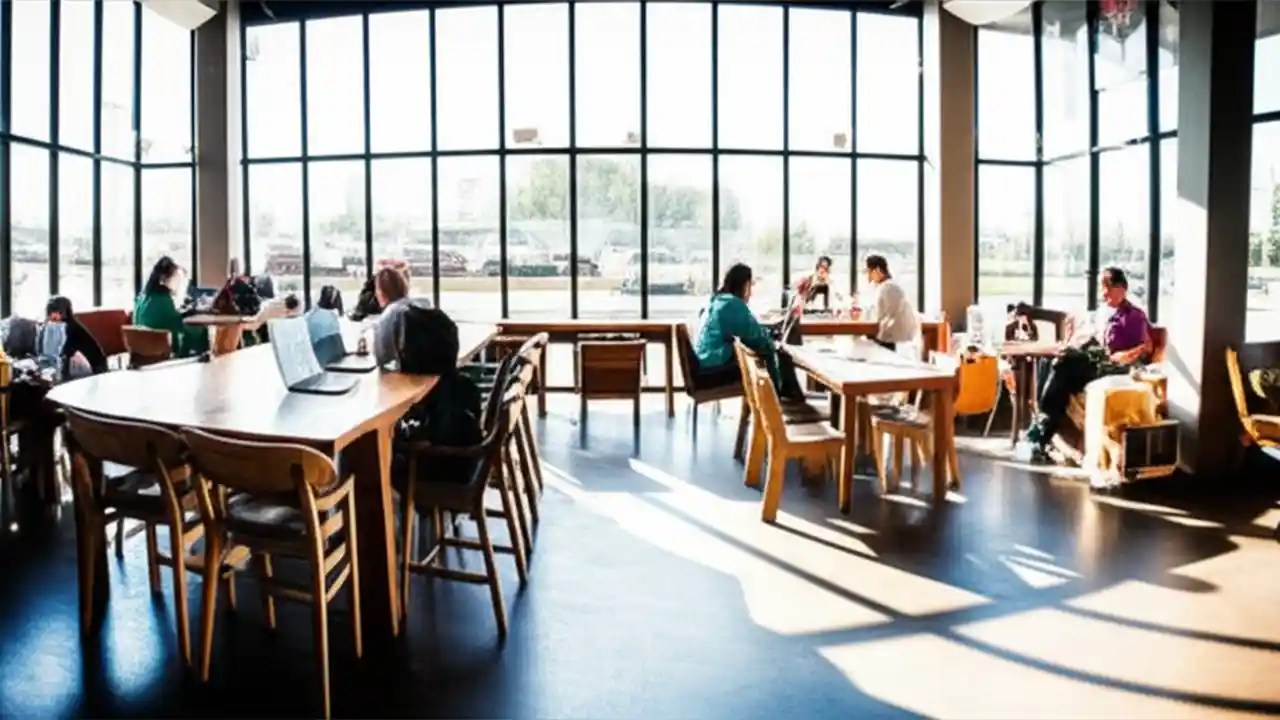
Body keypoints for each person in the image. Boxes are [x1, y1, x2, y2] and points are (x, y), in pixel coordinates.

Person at [1024, 267, 1153, 458]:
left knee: (1064, 364)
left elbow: (1146, 346)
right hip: (1097, 359)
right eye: (1103, 287)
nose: (1104, 292)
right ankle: (1044, 423)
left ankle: (1043, 423)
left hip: (1114, 366)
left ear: (1123, 288)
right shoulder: (1104, 313)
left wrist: (1123, 355)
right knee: (1051, 360)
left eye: (1108, 287)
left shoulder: (1134, 315)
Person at [694, 263, 803, 399]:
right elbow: (758, 340)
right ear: (745, 285)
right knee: (766, 356)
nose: (751, 292)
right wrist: (771, 342)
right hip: (712, 369)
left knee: (760, 356)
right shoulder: (732, 305)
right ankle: (776, 400)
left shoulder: (718, 301)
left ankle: (779, 398)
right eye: (751, 285)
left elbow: (749, 331)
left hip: (704, 363)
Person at [134, 256, 209, 357]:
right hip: (160, 348)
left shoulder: (142, 298)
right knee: (201, 331)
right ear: (165, 278)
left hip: (141, 350)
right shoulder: (164, 299)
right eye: (174, 277)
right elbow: (176, 326)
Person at [861, 254, 919, 352]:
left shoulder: (889, 288)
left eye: (869, 271)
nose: (868, 276)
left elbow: (887, 317)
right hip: (891, 336)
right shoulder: (886, 287)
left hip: (892, 339)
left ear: (877, 270)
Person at [45, 296, 108, 376]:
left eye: (55, 312)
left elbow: (64, 354)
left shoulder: (70, 329)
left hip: (93, 370)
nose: (52, 316)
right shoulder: (62, 327)